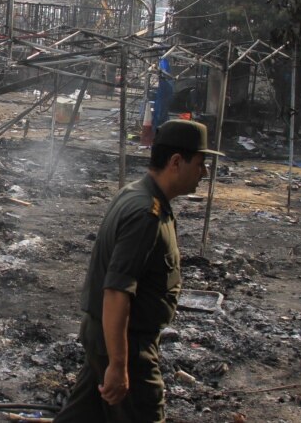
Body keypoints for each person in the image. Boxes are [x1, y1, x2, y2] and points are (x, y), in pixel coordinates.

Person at [53, 120, 221, 423]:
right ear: (176, 162)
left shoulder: (138, 195)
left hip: (104, 336)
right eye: (200, 163)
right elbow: (117, 291)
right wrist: (119, 364)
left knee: (81, 416)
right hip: (126, 343)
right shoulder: (146, 213)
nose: (204, 173)